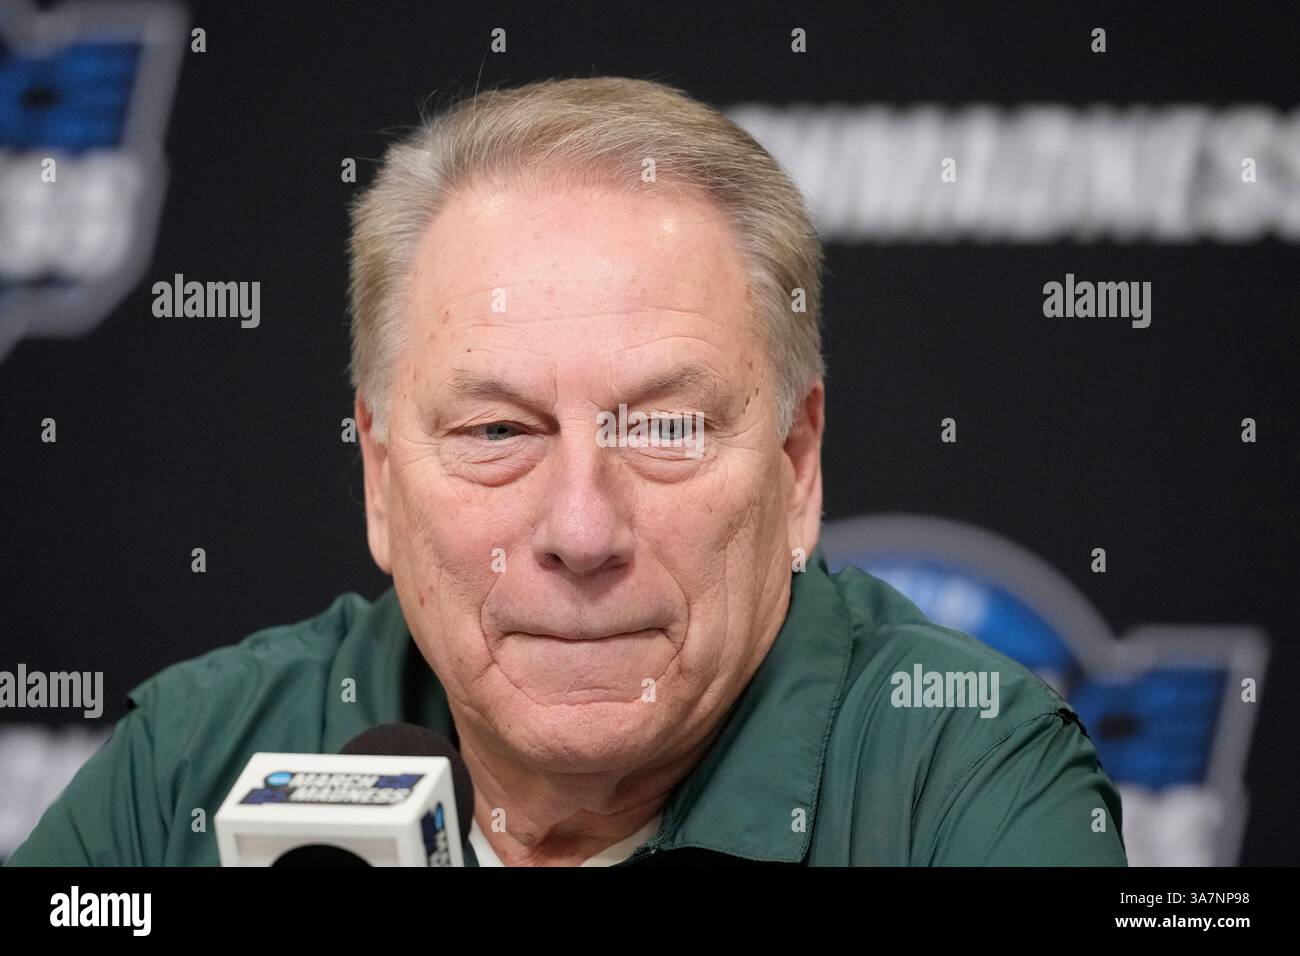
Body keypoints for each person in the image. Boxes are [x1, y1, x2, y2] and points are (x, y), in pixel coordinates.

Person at [5, 76, 1126, 866]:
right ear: (380, 479)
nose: (581, 530)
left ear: (796, 467)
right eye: (496, 433)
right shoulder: (198, 757)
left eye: (666, 429)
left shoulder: (960, 773)